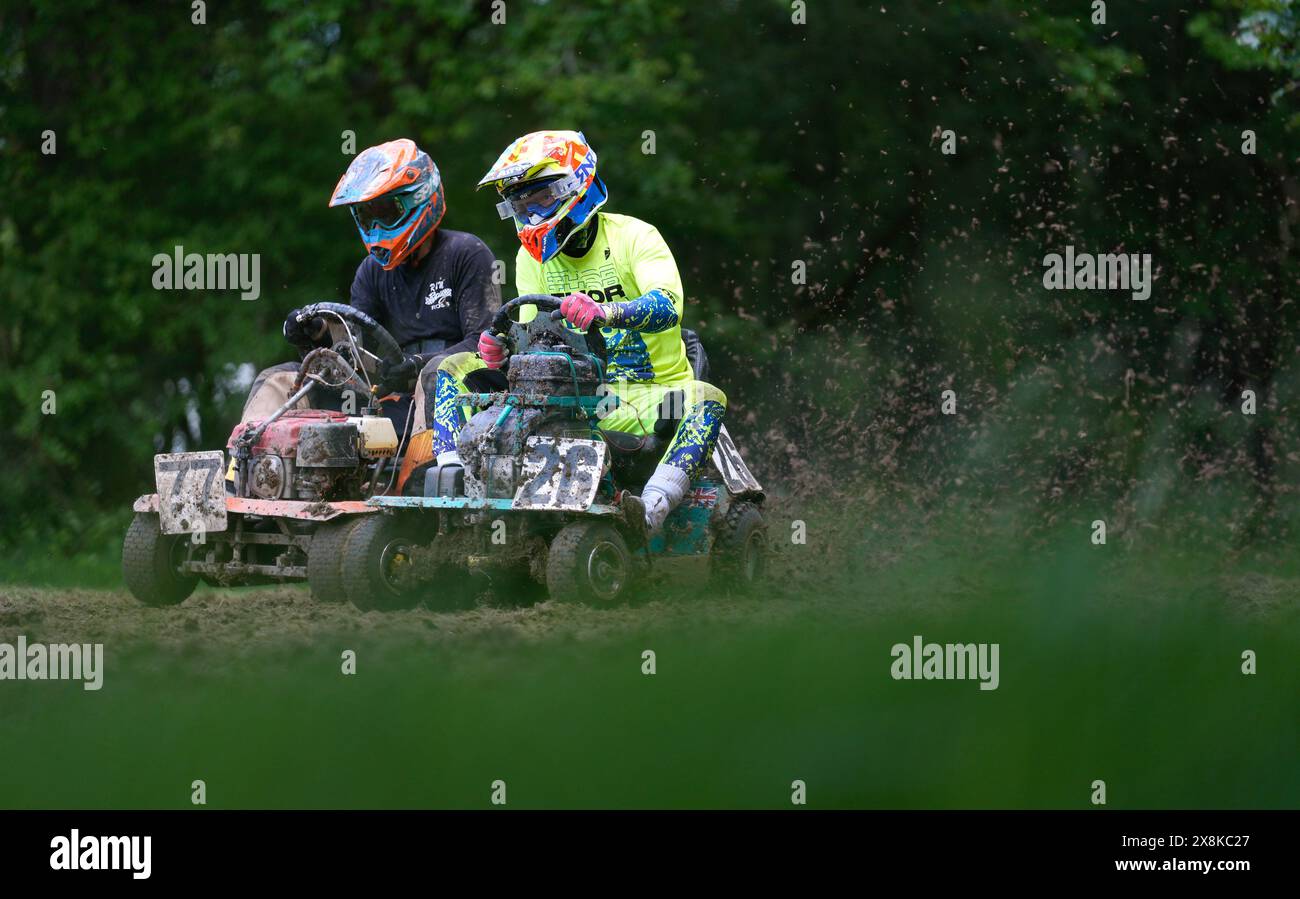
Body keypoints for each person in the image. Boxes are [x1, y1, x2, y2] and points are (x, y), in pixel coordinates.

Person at [429, 130, 726, 532]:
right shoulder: (528, 258)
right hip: (566, 399)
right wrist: (506, 349)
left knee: (706, 398)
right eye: (521, 203)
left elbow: (667, 307)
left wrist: (606, 311)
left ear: (577, 185)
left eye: (542, 199)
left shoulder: (635, 236)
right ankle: (452, 487)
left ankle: (651, 509)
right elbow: (538, 338)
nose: (532, 214)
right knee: (454, 368)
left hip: (647, 396)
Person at [239, 138, 500, 480]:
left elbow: (485, 344)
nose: (375, 228)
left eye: (386, 213)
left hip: (458, 397)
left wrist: (416, 366)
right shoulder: (372, 271)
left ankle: (425, 486)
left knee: (436, 373)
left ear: (419, 199)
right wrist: (317, 334)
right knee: (277, 379)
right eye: (366, 215)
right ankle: (247, 477)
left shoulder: (466, 254)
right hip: (390, 399)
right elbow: (353, 357)